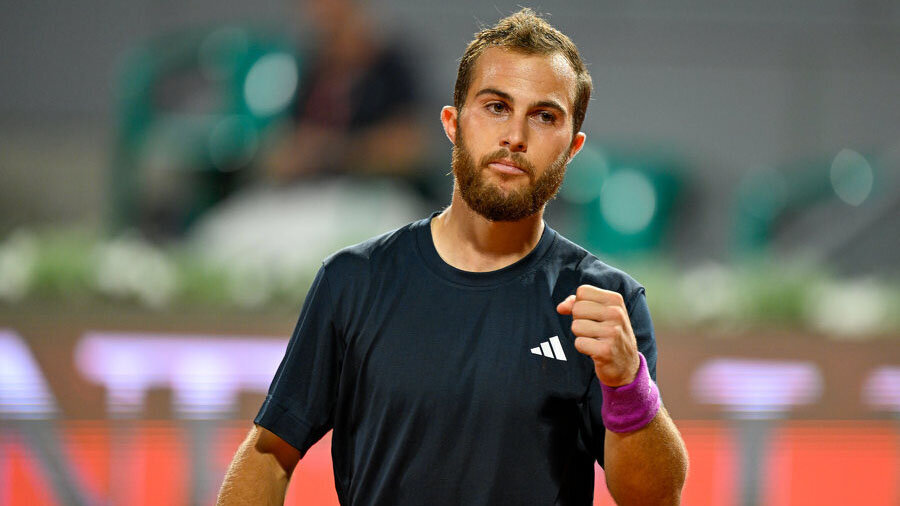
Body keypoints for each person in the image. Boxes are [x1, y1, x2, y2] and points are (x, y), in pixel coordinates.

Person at [217, 8, 688, 506]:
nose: (515, 137)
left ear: (572, 148)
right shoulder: (353, 281)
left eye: (544, 116)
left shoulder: (603, 302)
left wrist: (627, 385)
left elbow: (654, 499)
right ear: (452, 123)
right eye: (496, 107)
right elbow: (269, 454)